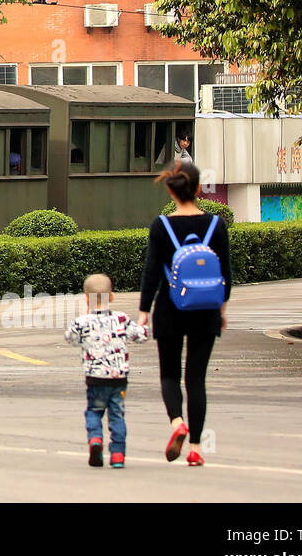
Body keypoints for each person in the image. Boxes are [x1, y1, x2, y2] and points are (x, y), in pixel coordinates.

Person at [138, 161, 231, 466]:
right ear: (199, 188)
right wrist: (222, 309)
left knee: (169, 374)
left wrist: (143, 312)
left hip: (170, 308)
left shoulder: (161, 226)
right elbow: (226, 275)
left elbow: (152, 274)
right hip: (206, 311)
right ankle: (196, 450)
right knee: (196, 380)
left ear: (171, 189)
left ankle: (177, 422)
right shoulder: (216, 224)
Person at [65, 273, 149, 468]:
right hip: (118, 379)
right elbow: (140, 336)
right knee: (117, 415)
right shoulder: (122, 319)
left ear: (86, 298)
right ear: (111, 296)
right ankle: (118, 455)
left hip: (95, 378)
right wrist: (144, 327)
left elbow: (69, 338)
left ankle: (95, 439)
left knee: (94, 411)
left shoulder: (82, 322)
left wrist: (85, 316)